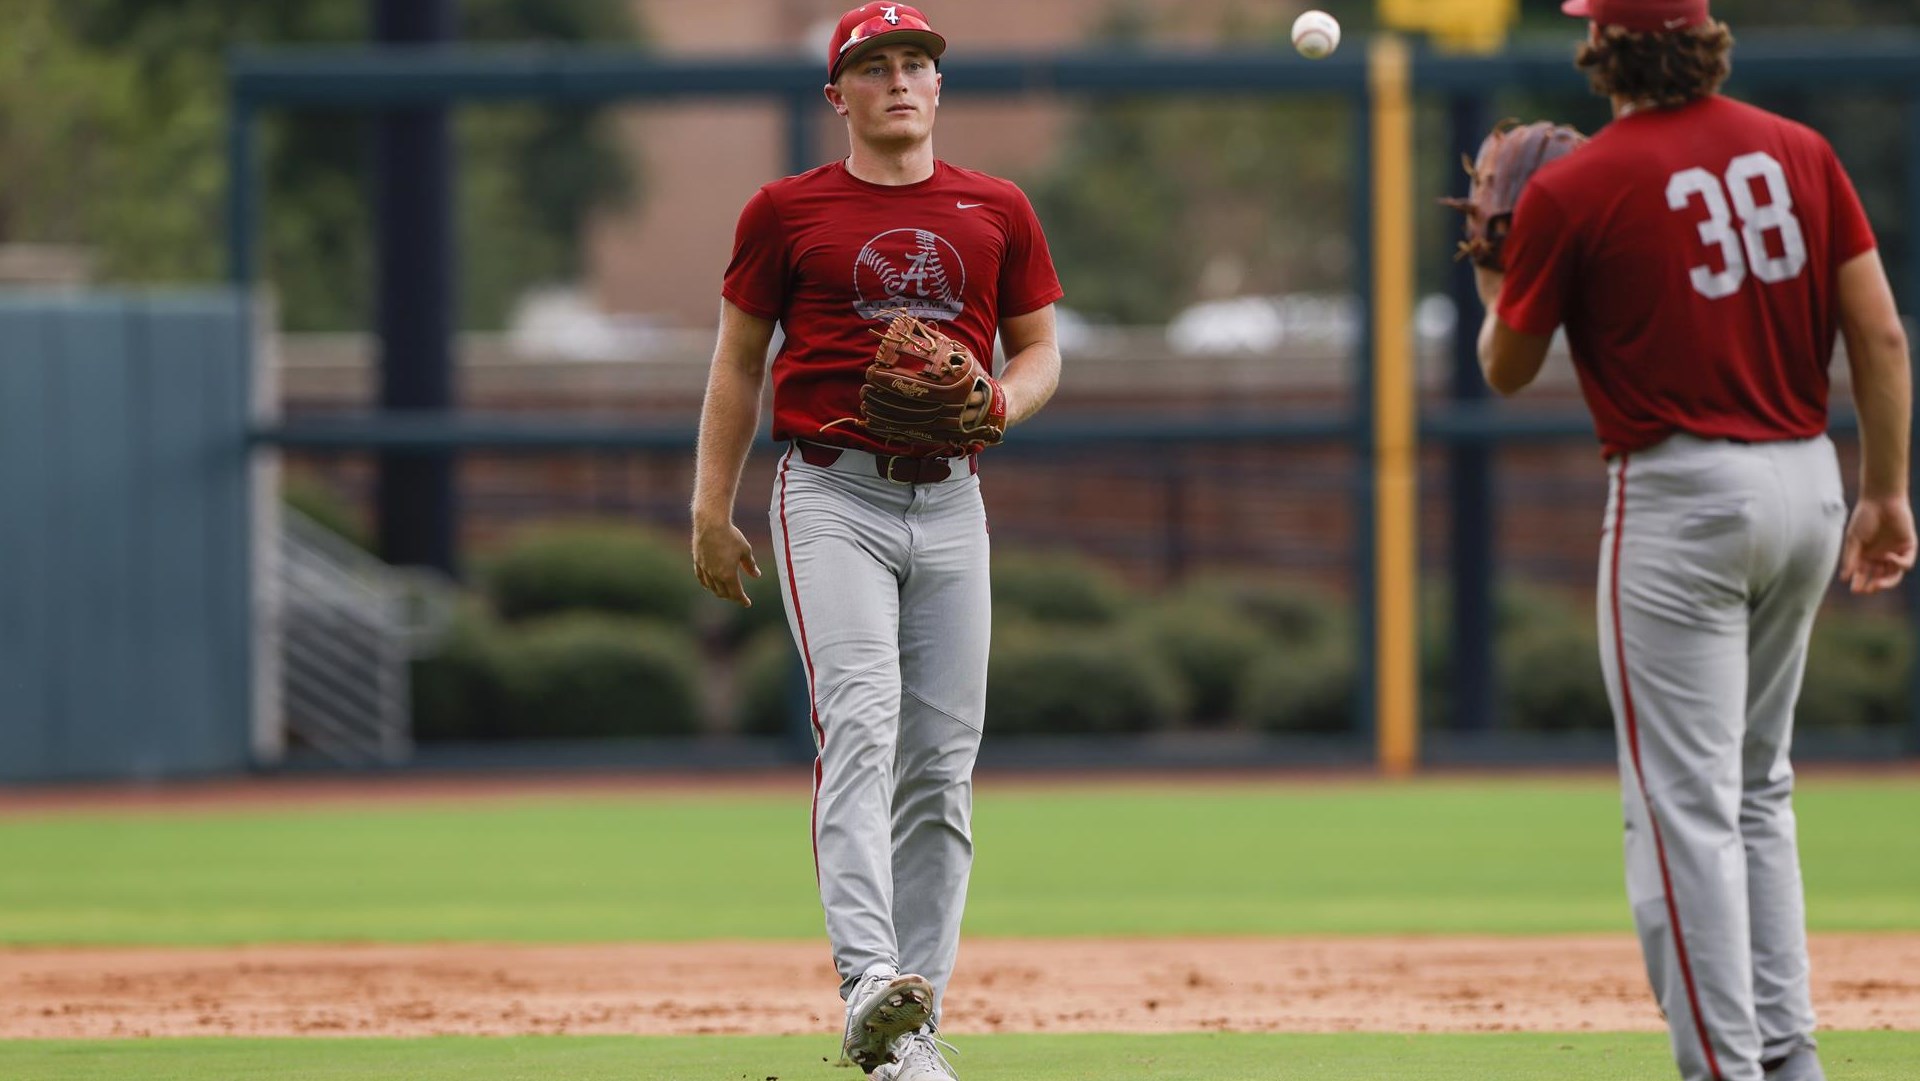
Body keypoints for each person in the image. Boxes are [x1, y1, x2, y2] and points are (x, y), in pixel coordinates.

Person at [1474, 2, 1915, 1080]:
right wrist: (1888, 494)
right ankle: (1787, 1051)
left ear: (1602, 46)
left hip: (1680, 497)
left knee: (1681, 807)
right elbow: (1882, 333)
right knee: (1759, 786)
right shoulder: (1801, 151)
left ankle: (1725, 1066)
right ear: (1703, 36)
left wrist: (1499, 267)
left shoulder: (1579, 187)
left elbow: (1507, 366)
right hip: (1807, 480)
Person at [689, 5, 1064, 1079]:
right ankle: (867, 984)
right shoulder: (785, 211)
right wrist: (711, 509)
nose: (901, 80)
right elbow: (735, 363)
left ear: (939, 89)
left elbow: (1041, 353)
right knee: (862, 727)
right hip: (831, 496)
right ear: (838, 95)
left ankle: (913, 1028)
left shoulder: (999, 208)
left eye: (917, 65)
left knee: (942, 769)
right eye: (876, 66)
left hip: (953, 501)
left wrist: (998, 399)